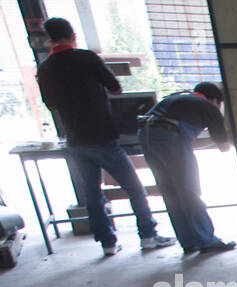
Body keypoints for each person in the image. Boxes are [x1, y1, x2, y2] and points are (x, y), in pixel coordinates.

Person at [35, 17, 175, 256]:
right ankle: (148, 237)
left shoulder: (45, 68)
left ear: (49, 39)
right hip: (102, 136)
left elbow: (51, 104)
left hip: (76, 141)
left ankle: (108, 243)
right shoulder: (86, 58)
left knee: (92, 193)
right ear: (73, 35)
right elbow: (115, 88)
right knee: (134, 187)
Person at [138, 82, 236, 254]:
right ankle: (207, 241)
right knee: (188, 190)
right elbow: (223, 145)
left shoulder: (176, 98)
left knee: (171, 192)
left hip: (146, 136)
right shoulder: (207, 106)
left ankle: (188, 242)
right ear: (214, 100)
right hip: (170, 137)